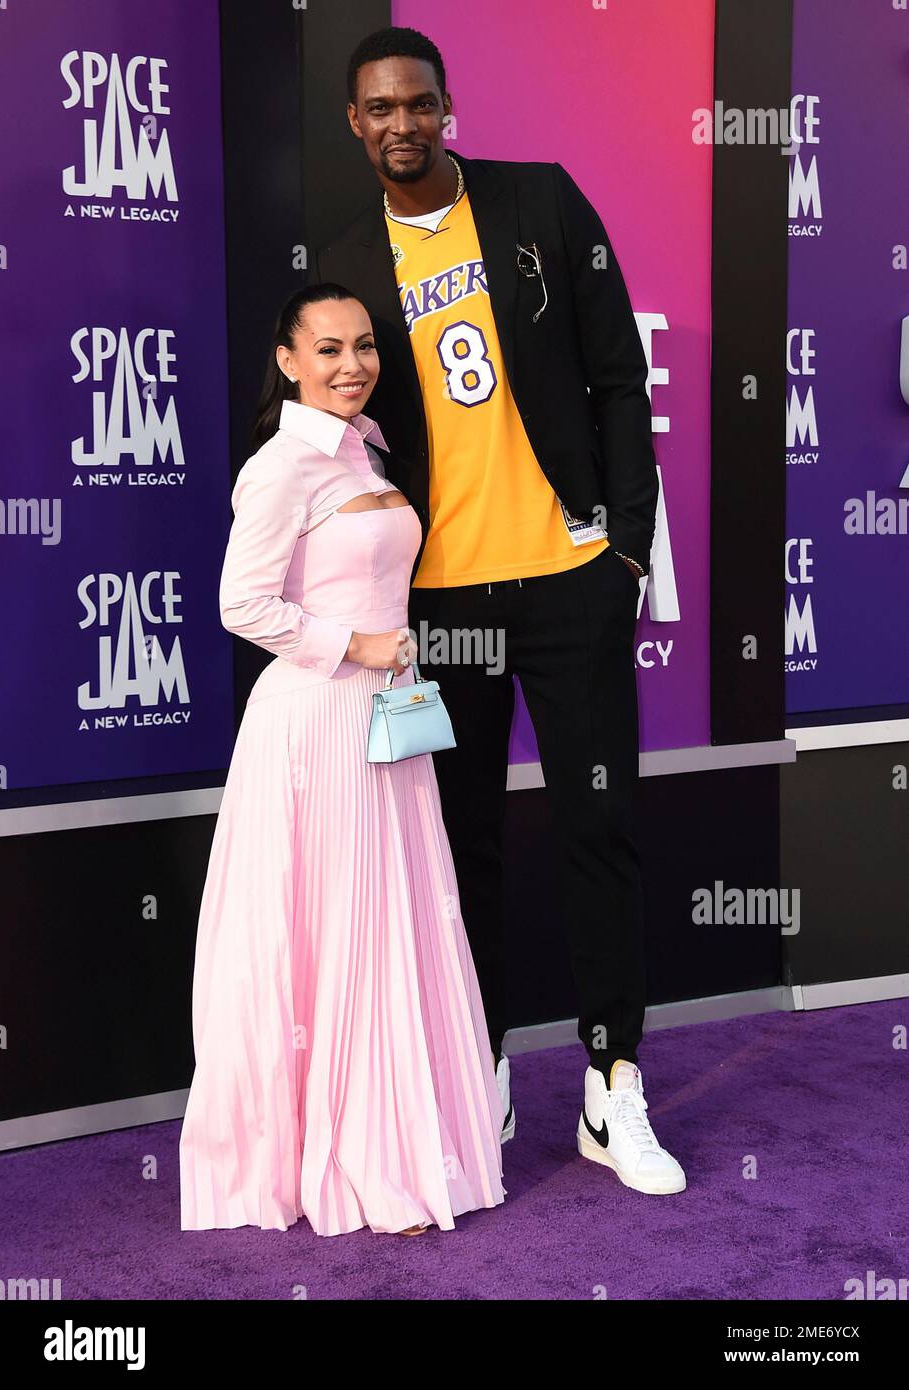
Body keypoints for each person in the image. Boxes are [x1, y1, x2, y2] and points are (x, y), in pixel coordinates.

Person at [306, 25, 685, 1195]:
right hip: (443, 603)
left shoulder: (539, 203)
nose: (401, 124)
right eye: (378, 108)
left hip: (570, 580)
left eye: (418, 102)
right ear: (355, 124)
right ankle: (479, 1072)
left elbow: (619, 376)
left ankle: (611, 1083)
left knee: (597, 830)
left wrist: (626, 550)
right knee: (458, 846)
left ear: (447, 106)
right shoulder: (348, 261)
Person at [178, 282, 506, 1236]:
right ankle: (355, 1163)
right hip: (315, 725)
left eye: (363, 346)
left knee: (390, 922)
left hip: (385, 725)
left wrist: (381, 656)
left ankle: (400, 1144)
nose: (350, 365)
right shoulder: (283, 464)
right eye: (326, 349)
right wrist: (354, 646)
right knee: (337, 930)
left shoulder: (368, 446)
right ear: (286, 360)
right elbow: (241, 605)